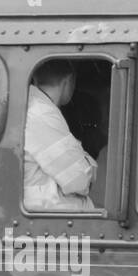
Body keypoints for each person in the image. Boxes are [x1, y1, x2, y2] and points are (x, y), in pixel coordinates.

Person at [25, 60, 97, 212]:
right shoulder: (42, 114)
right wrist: (88, 165)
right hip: (48, 220)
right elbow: (80, 179)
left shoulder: (36, 107)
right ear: (69, 81)